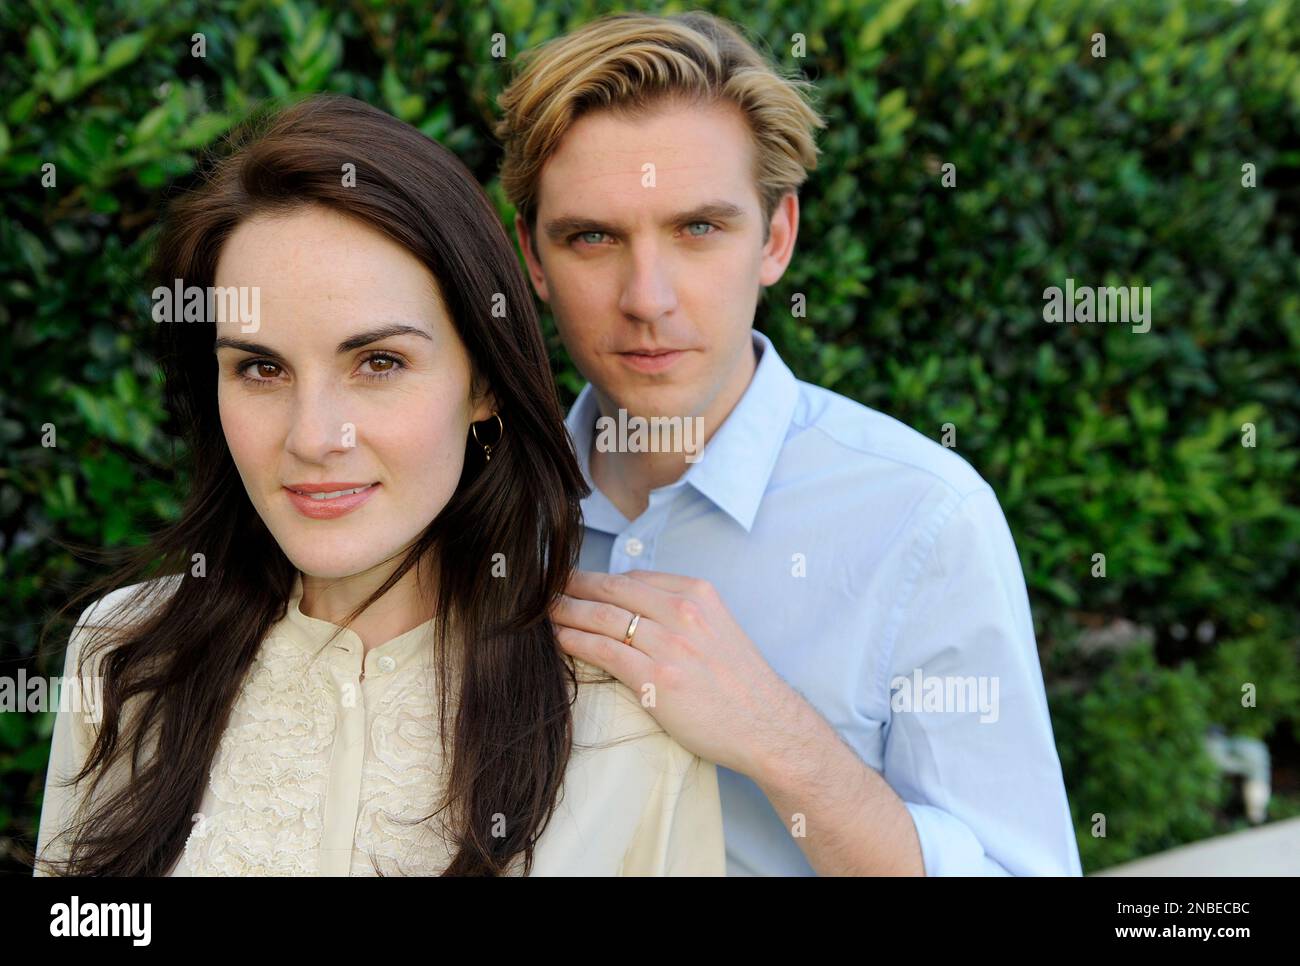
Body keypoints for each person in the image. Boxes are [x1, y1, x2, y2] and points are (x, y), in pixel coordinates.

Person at [31, 94, 724, 877]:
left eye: (379, 364)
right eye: (261, 368)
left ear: (484, 382)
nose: (314, 437)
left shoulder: (628, 721)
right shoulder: (124, 656)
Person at [495, 11, 1083, 875]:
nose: (647, 297)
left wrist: (777, 736)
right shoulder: (476, 501)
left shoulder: (926, 520)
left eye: (699, 229)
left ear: (776, 237)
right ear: (534, 260)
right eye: (594, 237)